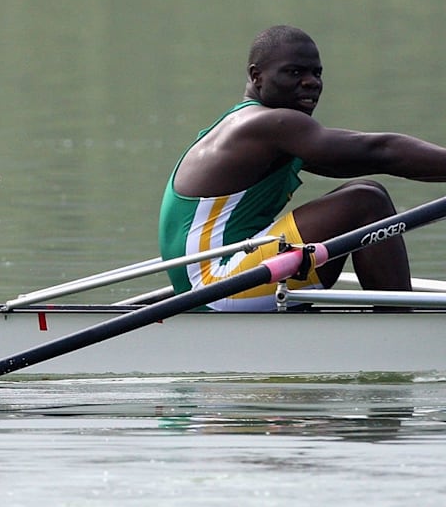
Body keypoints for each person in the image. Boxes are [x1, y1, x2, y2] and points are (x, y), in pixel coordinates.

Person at [159, 25, 446, 311]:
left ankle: (392, 319)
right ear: (256, 76)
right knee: (366, 201)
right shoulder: (271, 125)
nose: (311, 82)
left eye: (316, 73)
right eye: (294, 72)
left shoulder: (256, 129)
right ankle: (399, 324)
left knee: (364, 191)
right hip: (214, 286)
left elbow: (364, 160)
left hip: (221, 279)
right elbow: (381, 152)